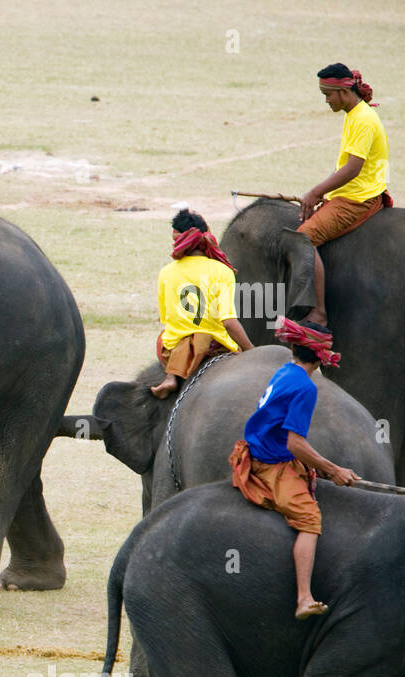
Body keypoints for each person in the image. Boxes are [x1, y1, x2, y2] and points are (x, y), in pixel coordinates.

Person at [229, 319, 359, 619]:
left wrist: (322, 467)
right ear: (320, 355)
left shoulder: (285, 370)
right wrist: (334, 469)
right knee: (310, 518)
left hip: (261, 447)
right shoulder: (306, 387)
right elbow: (295, 443)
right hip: (270, 463)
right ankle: (304, 598)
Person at [296, 63, 391, 327]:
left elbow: (352, 169)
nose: (326, 100)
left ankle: (319, 313)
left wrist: (316, 191)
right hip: (350, 193)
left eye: (328, 94)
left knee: (304, 238)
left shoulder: (362, 119)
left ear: (344, 91)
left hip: (357, 199)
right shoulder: (355, 114)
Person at [150, 209, 255, 398]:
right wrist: (250, 350)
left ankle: (172, 376)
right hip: (212, 345)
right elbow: (229, 322)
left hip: (173, 347)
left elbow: (166, 319)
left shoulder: (166, 272)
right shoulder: (221, 271)